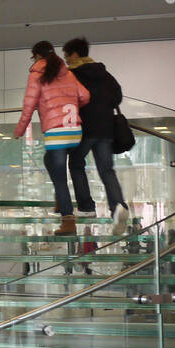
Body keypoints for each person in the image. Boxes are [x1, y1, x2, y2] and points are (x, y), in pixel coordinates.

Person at [13, 40, 90, 236]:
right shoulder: (68, 73)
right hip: (75, 130)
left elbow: (29, 105)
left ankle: (68, 221)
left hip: (56, 133)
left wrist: (20, 130)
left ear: (37, 56)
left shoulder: (37, 75)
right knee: (49, 160)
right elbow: (85, 96)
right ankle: (61, 199)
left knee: (60, 179)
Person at [62, 37, 132, 237]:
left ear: (75, 54)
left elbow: (67, 99)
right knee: (107, 170)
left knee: (75, 163)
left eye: (67, 55)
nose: (66, 59)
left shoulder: (71, 74)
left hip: (84, 128)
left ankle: (86, 206)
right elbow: (117, 96)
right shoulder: (103, 73)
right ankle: (118, 207)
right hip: (106, 128)